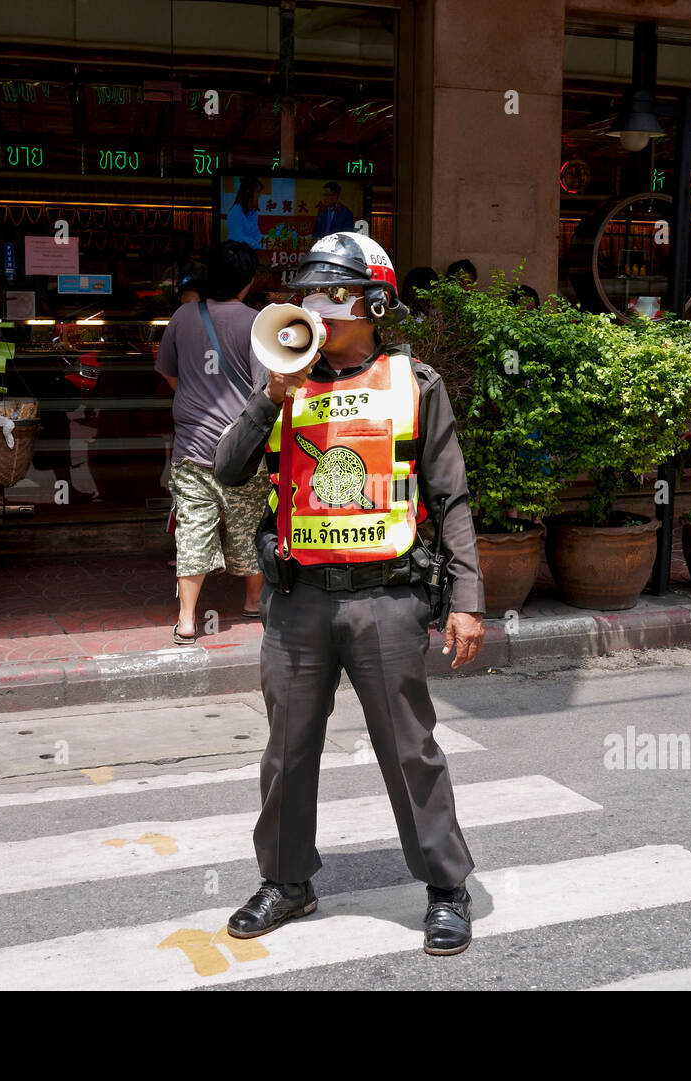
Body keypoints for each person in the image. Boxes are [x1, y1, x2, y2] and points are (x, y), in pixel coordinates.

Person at [214, 231, 485, 956]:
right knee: (286, 750)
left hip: (387, 599)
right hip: (298, 600)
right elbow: (228, 468)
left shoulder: (415, 383)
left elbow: (450, 498)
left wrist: (468, 599)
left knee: (410, 750)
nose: (314, 309)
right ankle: (287, 881)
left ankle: (446, 888)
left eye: (332, 293)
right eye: (307, 293)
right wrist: (267, 401)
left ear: (373, 303)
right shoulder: (282, 381)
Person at [155, 240, 271, 644]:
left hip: (191, 446)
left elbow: (170, 375)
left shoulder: (182, 316)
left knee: (193, 529)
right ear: (249, 281)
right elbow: (265, 389)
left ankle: (187, 620)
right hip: (242, 450)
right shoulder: (258, 324)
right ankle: (254, 602)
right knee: (249, 527)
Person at [226, 177, 264, 249]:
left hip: (251, 250)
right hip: (237, 251)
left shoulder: (254, 212)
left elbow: (256, 233)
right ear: (248, 191)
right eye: (257, 192)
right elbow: (238, 238)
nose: (259, 195)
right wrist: (257, 245)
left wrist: (264, 243)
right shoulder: (235, 212)